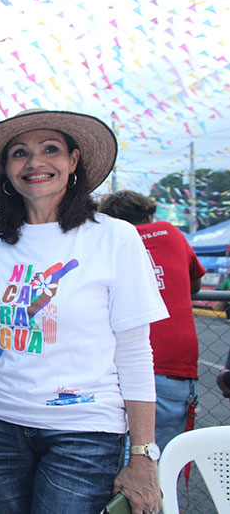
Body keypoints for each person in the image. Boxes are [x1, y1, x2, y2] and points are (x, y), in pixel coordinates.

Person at [0, 109, 167, 514]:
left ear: (73, 162)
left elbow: (135, 351)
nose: (35, 162)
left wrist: (143, 454)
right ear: (6, 170)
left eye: (50, 150)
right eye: (20, 153)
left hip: (85, 431)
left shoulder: (114, 238)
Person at [99, 190, 205, 453]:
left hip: (113, 366)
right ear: (148, 214)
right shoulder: (169, 232)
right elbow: (195, 283)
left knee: (105, 465)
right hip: (172, 365)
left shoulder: (105, 240)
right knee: (156, 465)